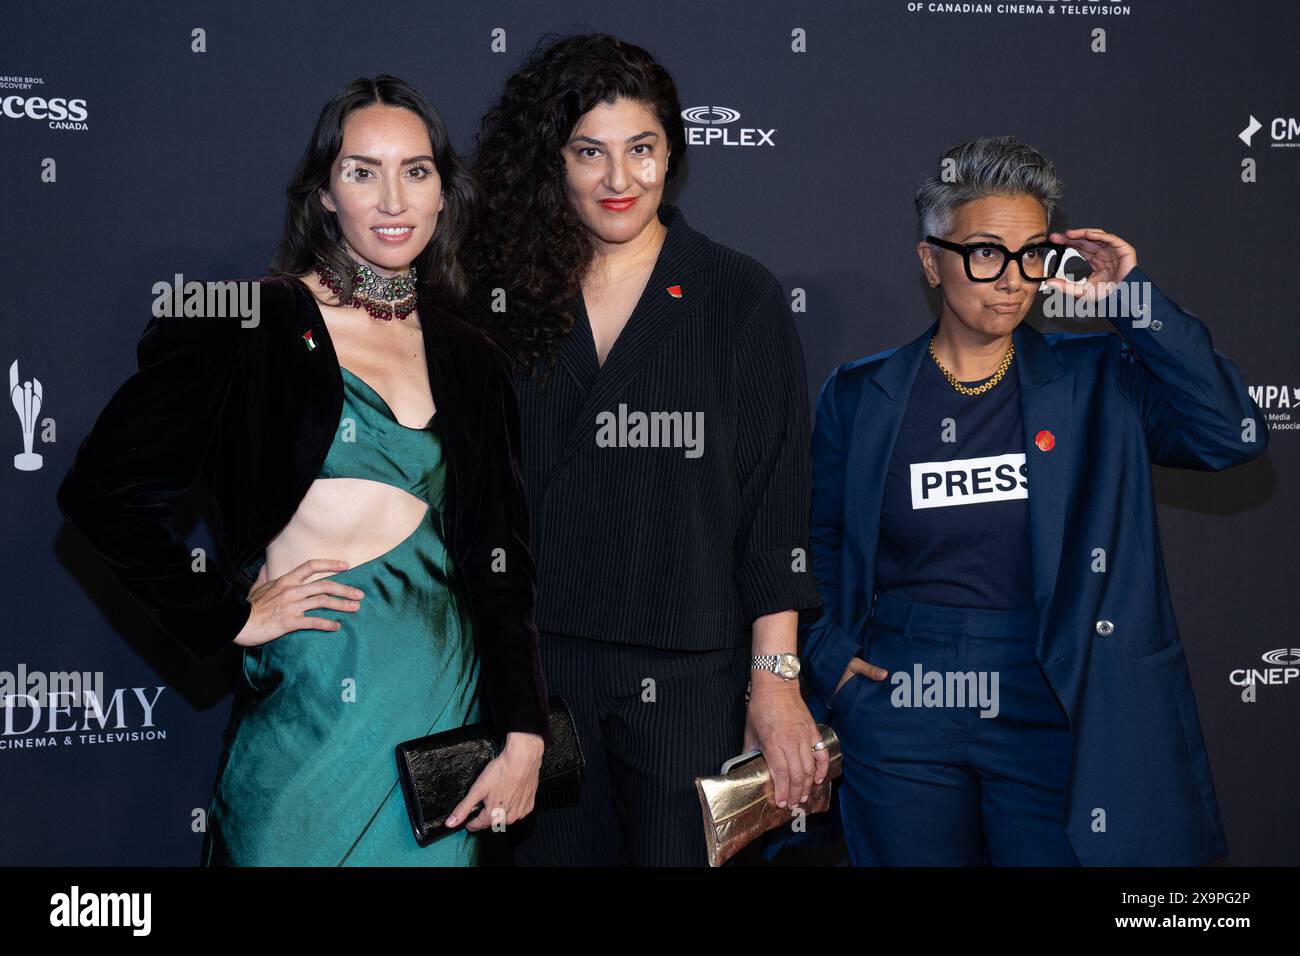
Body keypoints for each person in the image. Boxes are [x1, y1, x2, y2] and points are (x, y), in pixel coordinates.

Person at [56, 76, 548, 866]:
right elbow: (102, 491)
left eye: (416, 171)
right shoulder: (246, 318)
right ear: (324, 193)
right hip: (311, 712)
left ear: (443, 191)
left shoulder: (473, 359)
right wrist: (227, 615)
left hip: (438, 718)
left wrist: (524, 730)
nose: (393, 199)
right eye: (363, 171)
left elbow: (501, 563)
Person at [800, 135, 1269, 866]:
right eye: (985, 252)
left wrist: (1129, 299)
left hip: (1052, 690)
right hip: (903, 692)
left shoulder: (1098, 381)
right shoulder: (861, 394)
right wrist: (831, 657)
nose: (1012, 279)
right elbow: (816, 541)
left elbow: (1230, 434)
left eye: (1032, 255)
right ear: (932, 261)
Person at [463, 33, 823, 866]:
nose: (618, 181)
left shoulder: (740, 295)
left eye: (641, 149)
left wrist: (775, 681)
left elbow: (776, 511)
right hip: (539, 673)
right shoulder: (505, 295)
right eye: (590, 152)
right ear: (553, 161)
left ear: (673, 153)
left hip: (693, 675)